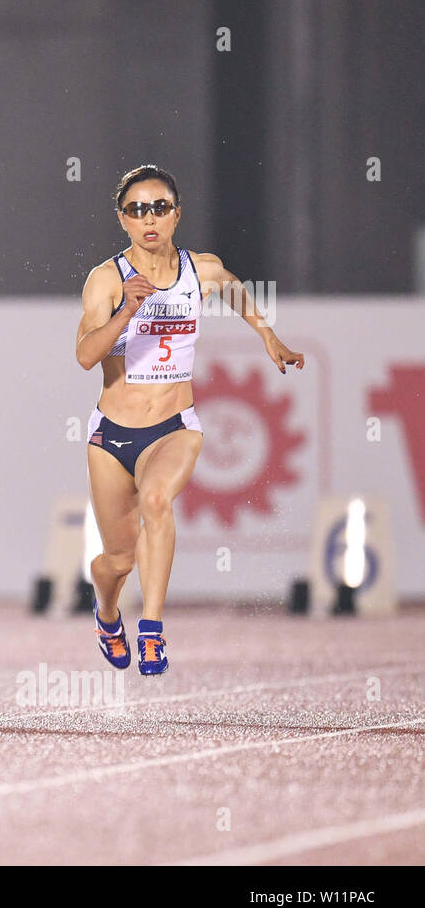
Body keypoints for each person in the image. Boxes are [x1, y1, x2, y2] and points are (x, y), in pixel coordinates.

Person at [75, 164, 304, 675]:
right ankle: (108, 612)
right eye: (136, 210)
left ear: (177, 214)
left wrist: (267, 336)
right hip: (111, 436)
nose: (148, 218)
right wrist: (124, 313)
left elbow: (235, 288)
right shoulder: (107, 279)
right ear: (123, 219)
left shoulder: (199, 269)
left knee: (157, 501)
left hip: (174, 425)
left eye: (159, 207)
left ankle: (152, 629)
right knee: (118, 561)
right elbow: (86, 355)